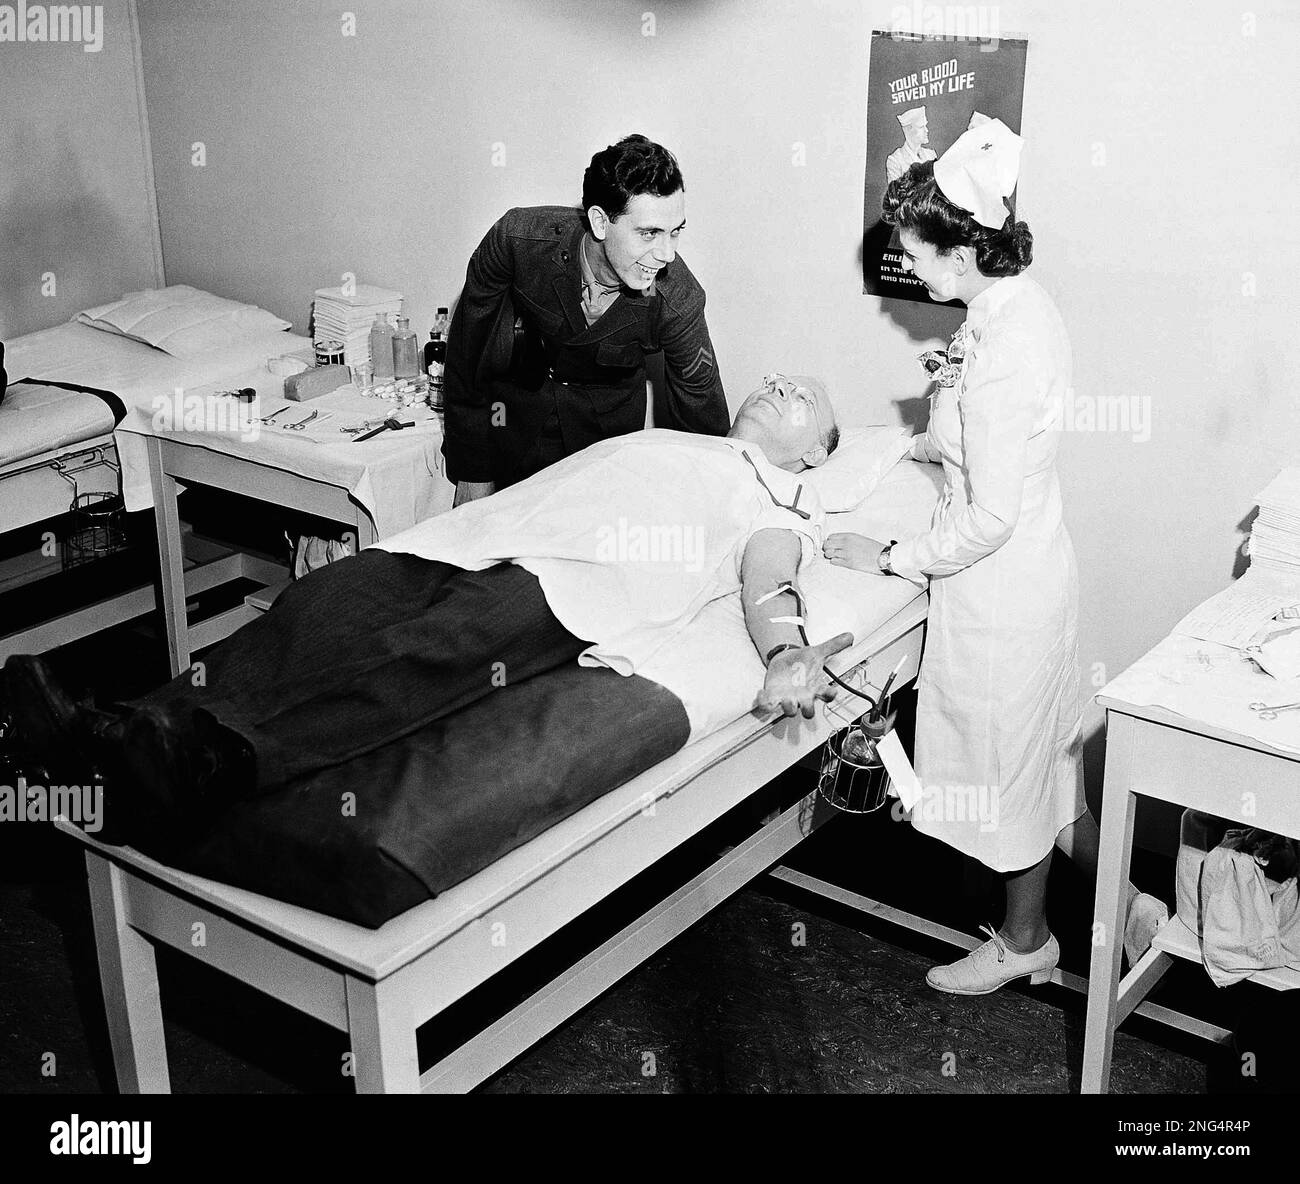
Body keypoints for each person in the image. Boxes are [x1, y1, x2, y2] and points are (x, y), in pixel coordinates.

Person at [6, 374, 846, 845]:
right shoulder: (680, 440)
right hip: (470, 537)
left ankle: (208, 760)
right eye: (777, 377)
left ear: (811, 455)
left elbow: (769, 580)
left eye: (802, 398)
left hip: (569, 578)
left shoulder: (776, 497)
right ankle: (109, 735)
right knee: (318, 603)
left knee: (418, 652)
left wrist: (785, 653)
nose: (779, 387)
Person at [826, 119, 1166, 994]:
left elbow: (987, 518)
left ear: (962, 250)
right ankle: (1131, 907)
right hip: (1037, 580)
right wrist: (950, 394)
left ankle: (1027, 944)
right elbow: (984, 441)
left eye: (919, 256)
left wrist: (891, 554)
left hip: (1002, 595)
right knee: (1049, 775)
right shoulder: (1013, 307)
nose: (913, 270)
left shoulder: (1006, 344)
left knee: (1010, 783)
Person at [443, 134, 730, 506]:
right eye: (649, 234)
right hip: (509, 437)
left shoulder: (677, 300)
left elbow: (702, 427)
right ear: (599, 221)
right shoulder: (516, 242)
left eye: (675, 232)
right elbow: (468, 358)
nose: (667, 255)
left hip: (601, 466)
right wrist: (473, 472)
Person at [885, 106, 937, 184]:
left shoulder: (931, 155)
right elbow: (895, 194)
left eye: (925, 126)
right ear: (909, 129)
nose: (926, 130)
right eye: (921, 127)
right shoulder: (895, 161)